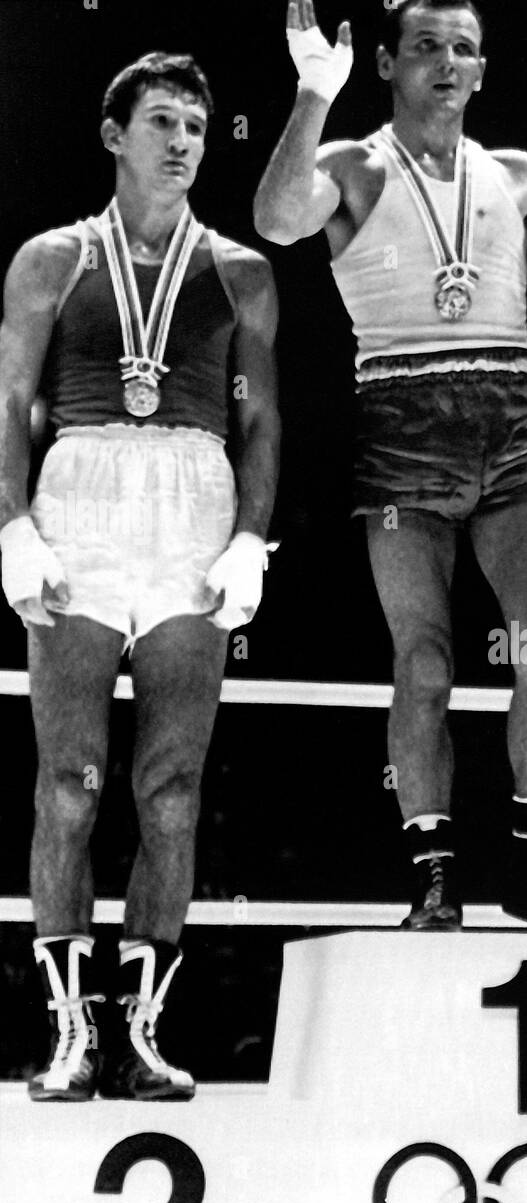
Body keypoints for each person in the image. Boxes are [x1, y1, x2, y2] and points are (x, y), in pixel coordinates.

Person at [253, 0, 527, 930]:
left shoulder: (515, 173)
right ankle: (434, 874)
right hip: (400, 424)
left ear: (484, 70)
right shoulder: (352, 165)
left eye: (463, 49)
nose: (445, 64)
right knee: (425, 662)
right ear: (386, 63)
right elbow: (279, 221)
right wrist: (310, 92)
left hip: (513, 419)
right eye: (425, 48)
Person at [0, 52, 280, 1100]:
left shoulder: (242, 270)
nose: (181, 143)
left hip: (193, 505)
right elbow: (6, 397)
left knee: (169, 791)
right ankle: (68, 1030)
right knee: (69, 783)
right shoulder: (50, 260)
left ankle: (143, 1031)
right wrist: (12, 524)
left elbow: (262, 417)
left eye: (197, 129)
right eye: (161, 122)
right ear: (114, 135)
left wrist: (251, 535)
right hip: (80, 498)